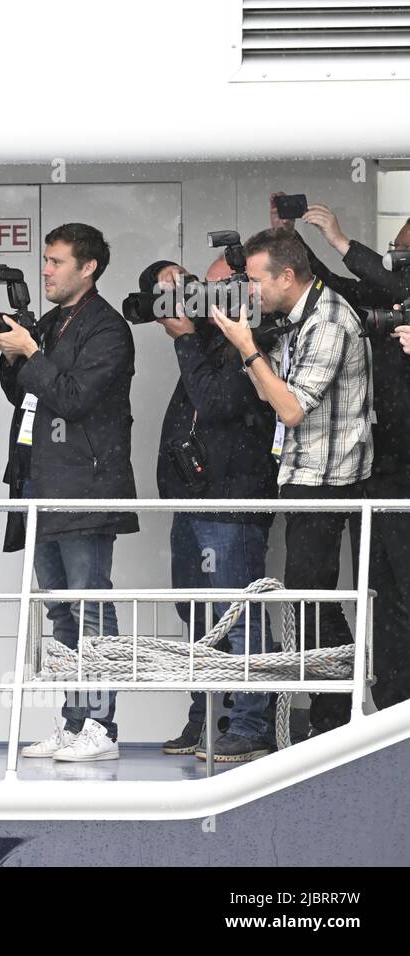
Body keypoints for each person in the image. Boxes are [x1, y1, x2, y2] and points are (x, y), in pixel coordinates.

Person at [213, 227, 372, 738]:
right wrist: (255, 348)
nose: (250, 291)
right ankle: (332, 718)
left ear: (287, 275)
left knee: (312, 604)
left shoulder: (327, 320)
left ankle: (337, 723)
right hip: (303, 476)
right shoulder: (297, 320)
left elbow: (289, 408)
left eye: (256, 280)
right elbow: (274, 397)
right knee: (308, 602)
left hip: (326, 482)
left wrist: (245, 348)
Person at [0, 223, 138, 762]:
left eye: (55, 262)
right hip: (38, 479)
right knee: (60, 612)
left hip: (86, 484)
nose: (45, 271)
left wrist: (30, 351)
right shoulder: (51, 323)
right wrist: (14, 356)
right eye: (45, 261)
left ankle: (102, 726)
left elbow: (73, 399)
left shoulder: (108, 330)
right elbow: (21, 393)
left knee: (91, 607)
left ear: (88, 267)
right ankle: (73, 722)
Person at [276, 198, 410, 711]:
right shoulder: (384, 302)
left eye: (401, 258)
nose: (393, 268)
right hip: (383, 469)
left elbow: (375, 279)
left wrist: (341, 239)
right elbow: (332, 286)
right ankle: (393, 705)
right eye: (392, 256)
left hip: (398, 475)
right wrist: (297, 241)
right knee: (381, 594)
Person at [146, 258, 279, 762]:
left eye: (221, 287)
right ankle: (208, 718)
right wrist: (167, 285)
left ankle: (250, 725)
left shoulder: (257, 338)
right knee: (197, 616)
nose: (208, 295)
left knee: (237, 615)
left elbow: (218, 401)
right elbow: (147, 293)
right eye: (204, 287)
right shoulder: (208, 334)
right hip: (192, 498)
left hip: (234, 500)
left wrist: (185, 338)